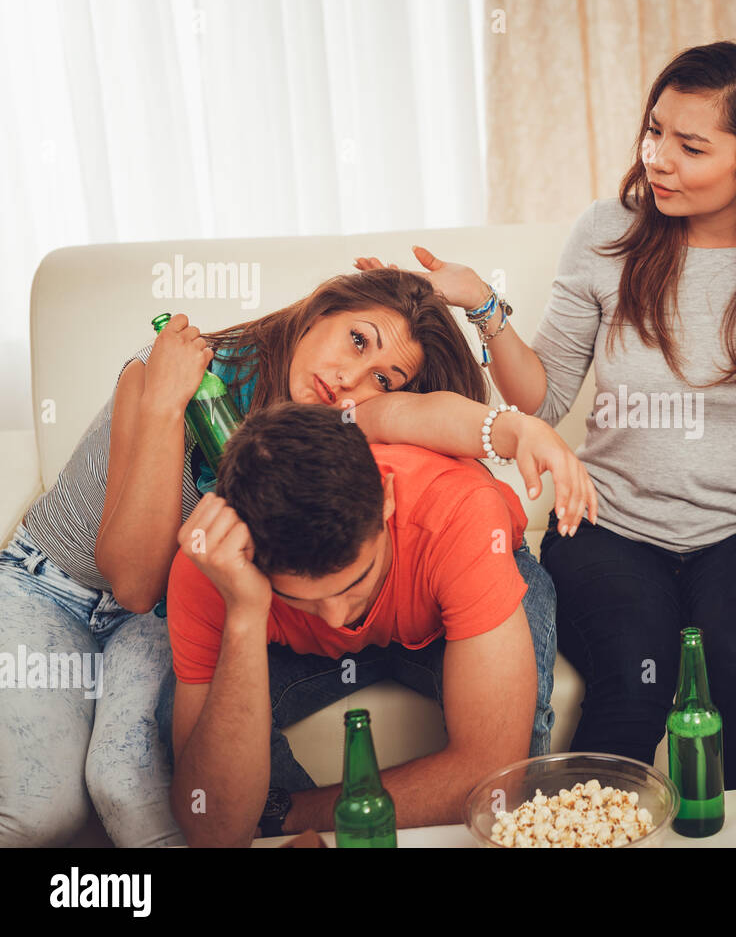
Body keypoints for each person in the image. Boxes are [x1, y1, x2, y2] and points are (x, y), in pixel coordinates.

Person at [357, 41, 736, 789]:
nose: (658, 158)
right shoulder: (607, 232)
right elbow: (541, 398)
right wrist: (485, 309)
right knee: (635, 683)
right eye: (655, 131)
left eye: (691, 146)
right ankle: (591, 836)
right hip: (609, 526)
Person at [0, 267, 589, 846]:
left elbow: (410, 413)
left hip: (156, 612)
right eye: (357, 341)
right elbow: (133, 583)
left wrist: (514, 430)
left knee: (126, 785)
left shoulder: (343, 428)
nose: (350, 378)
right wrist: (165, 404)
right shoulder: (190, 387)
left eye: (385, 377)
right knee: (69, 802)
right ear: (319, 308)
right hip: (69, 585)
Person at [159, 402, 536, 845]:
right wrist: (245, 615)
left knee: (515, 802)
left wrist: (290, 812)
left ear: (387, 498)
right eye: (300, 597)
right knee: (178, 718)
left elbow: (493, 782)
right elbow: (212, 827)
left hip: (453, 586)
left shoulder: (460, 513)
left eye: (355, 580)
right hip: (310, 642)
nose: (338, 618)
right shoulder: (209, 566)